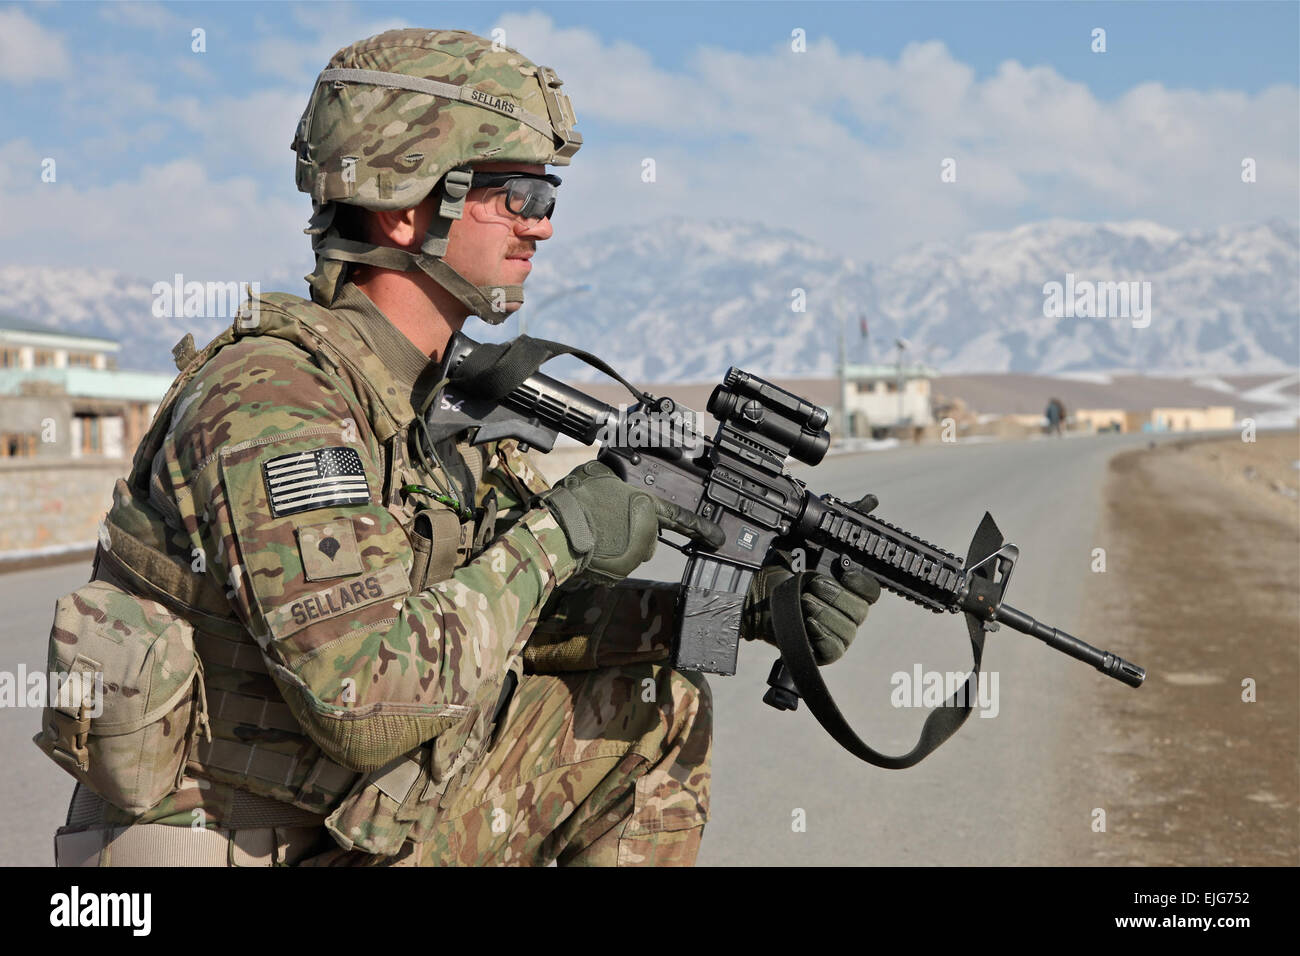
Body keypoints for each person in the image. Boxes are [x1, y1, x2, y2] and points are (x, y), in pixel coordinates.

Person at [43, 28, 879, 867]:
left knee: (651, 702)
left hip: (343, 819)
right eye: (518, 194)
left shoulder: (425, 400)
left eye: (546, 198)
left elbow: (497, 628)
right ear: (406, 206)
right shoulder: (276, 401)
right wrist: (559, 536)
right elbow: (364, 701)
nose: (541, 227)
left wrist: (736, 612)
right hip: (245, 840)